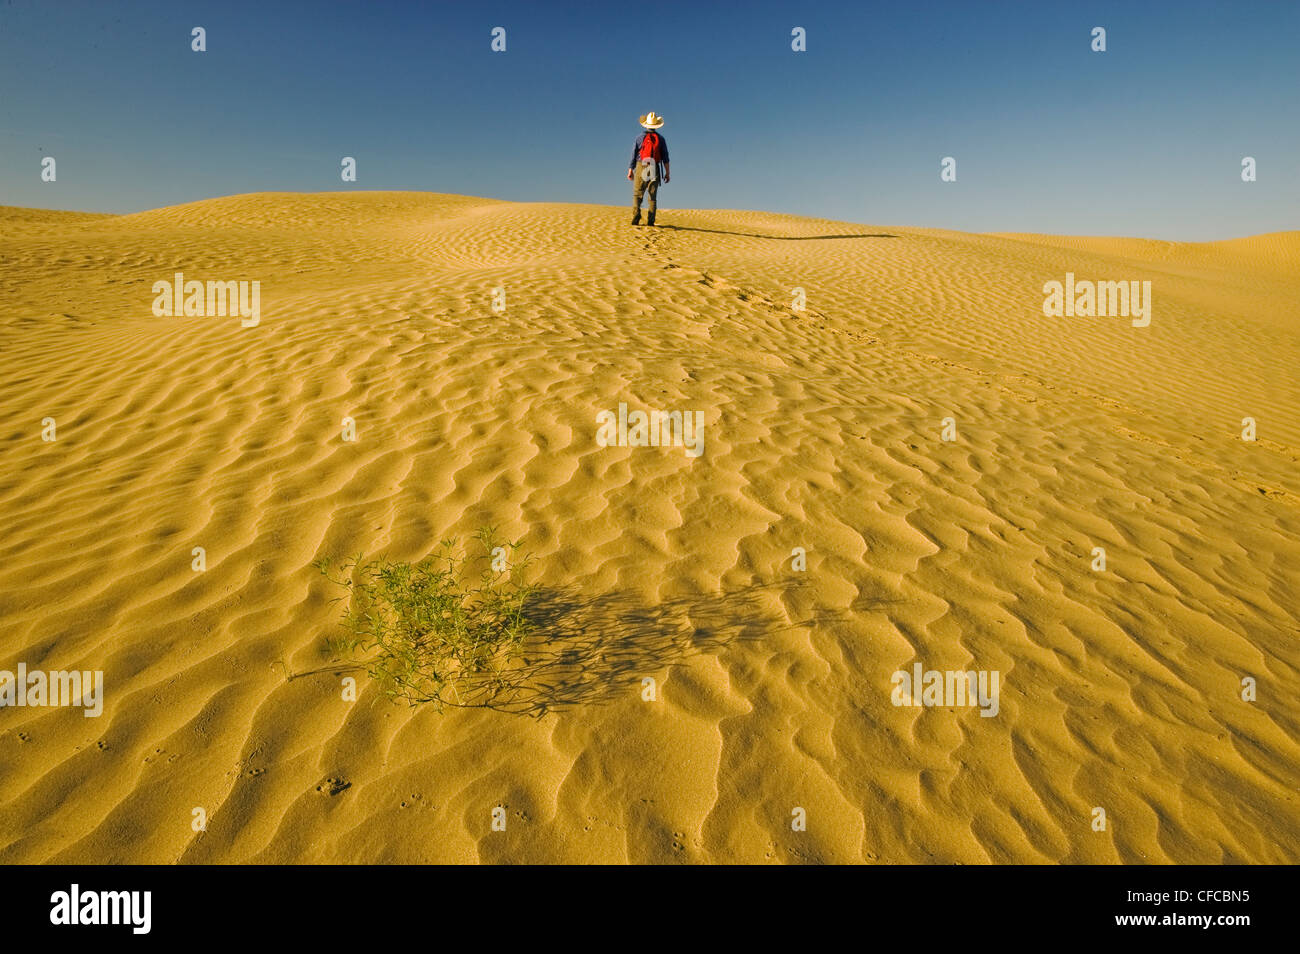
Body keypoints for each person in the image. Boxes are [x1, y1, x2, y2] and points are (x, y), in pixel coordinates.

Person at [628, 111, 670, 226]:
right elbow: (666, 157)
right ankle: (651, 220)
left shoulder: (639, 137)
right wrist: (667, 173)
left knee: (638, 193)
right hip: (654, 166)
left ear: (646, 124)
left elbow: (633, 154)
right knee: (652, 196)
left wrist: (630, 169)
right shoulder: (661, 139)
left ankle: (636, 216)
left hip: (642, 165)